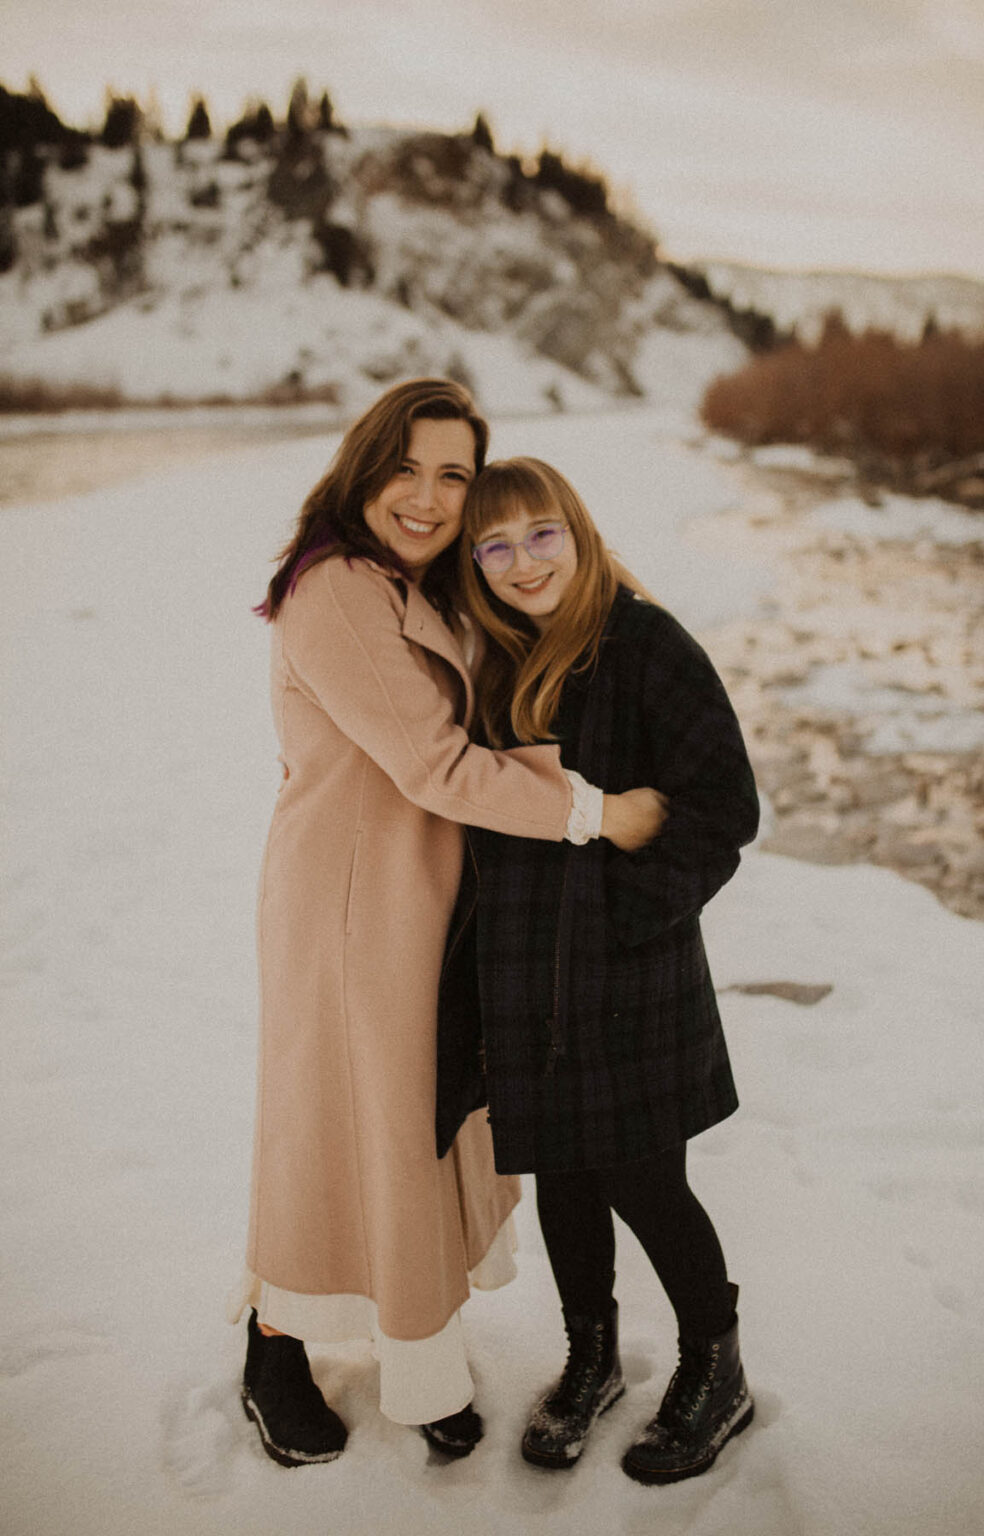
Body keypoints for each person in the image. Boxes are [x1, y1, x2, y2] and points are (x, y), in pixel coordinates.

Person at [230, 381, 665, 1468]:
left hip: (432, 900)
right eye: (406, 469)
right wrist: (595, 813)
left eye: (453, 475)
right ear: (364, 469)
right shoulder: (337, 589)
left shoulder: (419, 581)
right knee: (344, 1130)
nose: (426, 497)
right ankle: (272, 1350)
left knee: (418, 1134)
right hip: (353, 909)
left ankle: (418, 1360)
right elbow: (432, 762)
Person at [436, 456, 761, 1484]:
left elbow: (724, 808)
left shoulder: (646, 642)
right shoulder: (494, 657)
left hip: (628, 974)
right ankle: (591, 1357)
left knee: (644, 1177)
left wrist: (623, 915)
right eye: (494, 546)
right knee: (561, 1171)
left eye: (541, 534)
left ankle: (717, 1364)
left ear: (577, 531)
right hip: (523, 974)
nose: (522, 561)